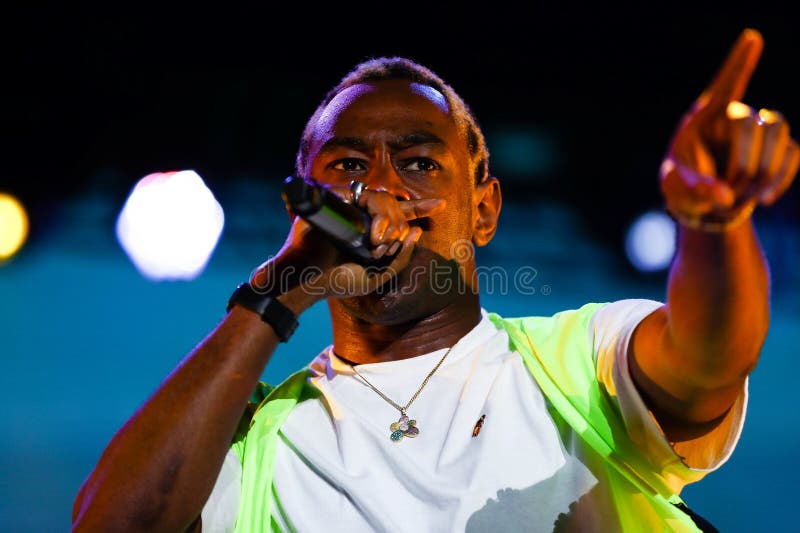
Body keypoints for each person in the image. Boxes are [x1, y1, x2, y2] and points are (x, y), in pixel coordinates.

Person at [71, 27, 798, 532]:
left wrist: (712, 223)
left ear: (483, 209)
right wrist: (284, 283)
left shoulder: (570, 362)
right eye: (349, 167)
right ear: (305, 208)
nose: (379, 187)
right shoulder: (256, 440)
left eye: (419, 164)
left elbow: (711, 355)